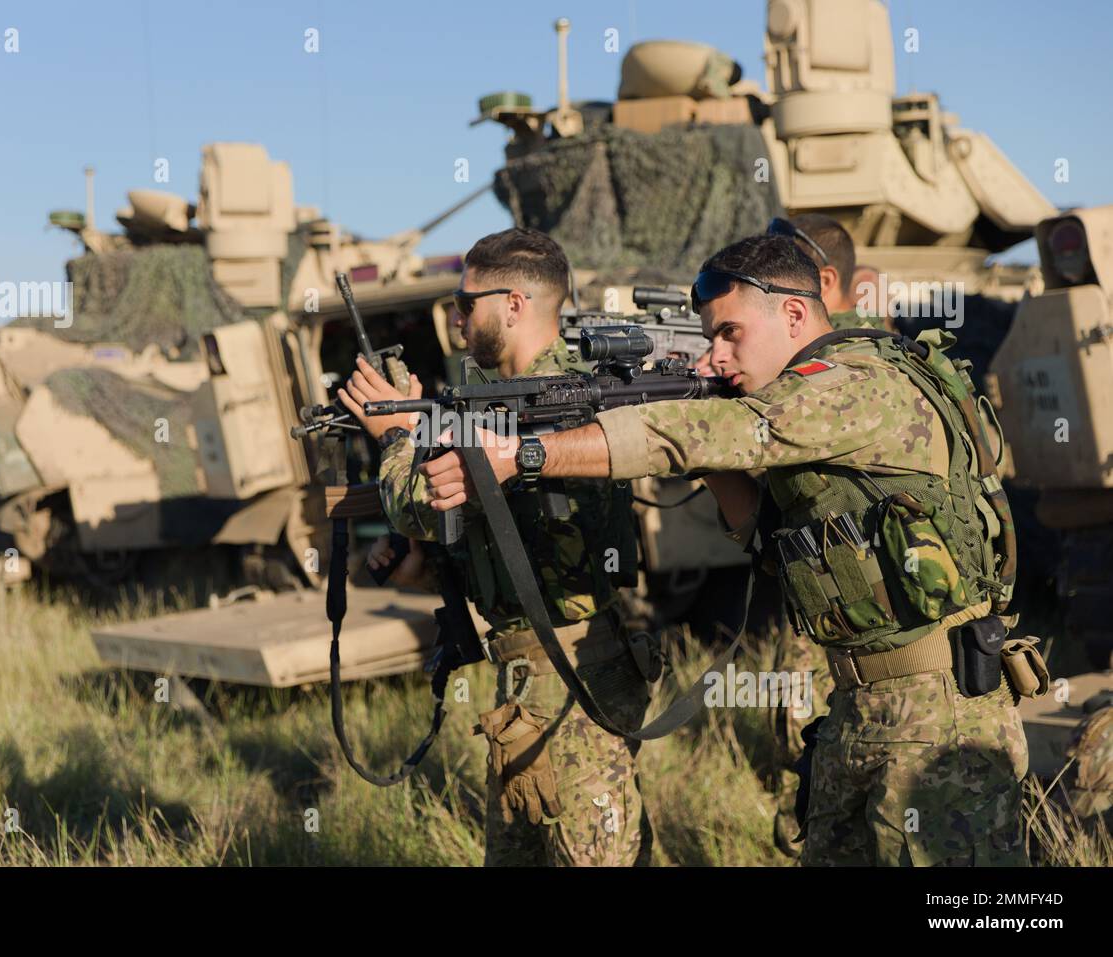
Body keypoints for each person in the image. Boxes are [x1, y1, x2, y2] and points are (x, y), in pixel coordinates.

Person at [419, 234, 1029, 866]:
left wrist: (524, 455)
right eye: (711, 337)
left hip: (940, 710)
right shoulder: (803, 403)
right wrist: (705, 443)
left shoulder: (856, 384)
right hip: (857, 705)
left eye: (731, 333)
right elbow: (771, 543)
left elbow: (735, 431)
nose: (718, 354)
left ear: (794, 314)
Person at [337, 227, 654, 867]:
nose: (456, 319)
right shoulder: (520, 399)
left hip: (566, 682)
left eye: (464, 302)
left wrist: (396, 435)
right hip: (531, 680)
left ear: (513, 303)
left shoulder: (551, 406)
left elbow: (421, 506)